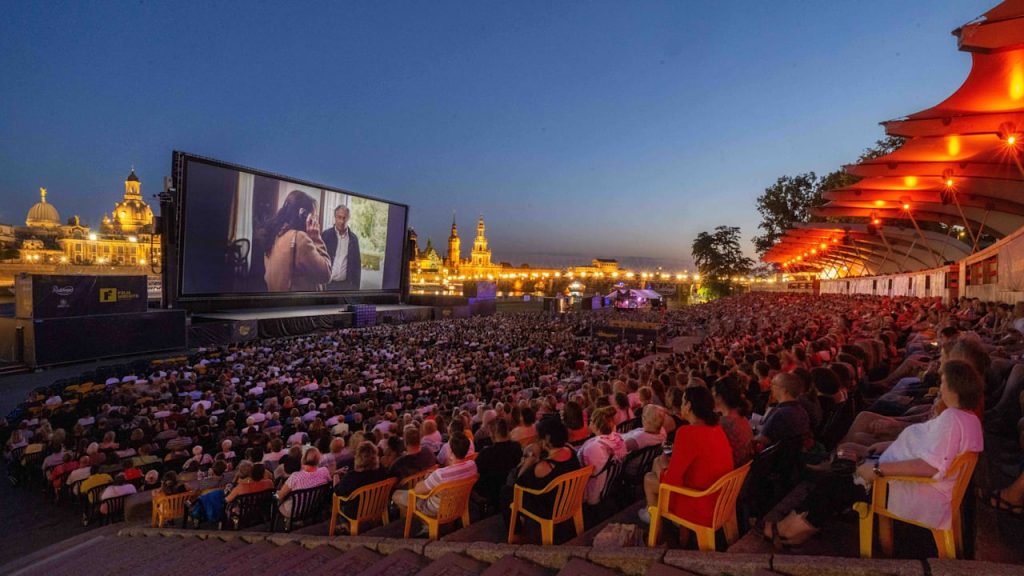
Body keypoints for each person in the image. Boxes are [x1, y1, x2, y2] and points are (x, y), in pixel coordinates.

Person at [766, 360, 985, 546]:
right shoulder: (966, 418)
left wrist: (878, 469)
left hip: (907, 489)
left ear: (955, 386)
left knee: (835, 484)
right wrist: (886, 448)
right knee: (840, 475)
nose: (941, 387)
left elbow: (929, 467)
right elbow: (929, 452)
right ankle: (803, 525)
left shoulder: (952, 420)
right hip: (909, 484)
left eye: (944, 382)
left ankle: (788, 530)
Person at [640, 386, 733, 528]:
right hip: (721, 499)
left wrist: (664, 464)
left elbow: (671, 482)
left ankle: (656, 528)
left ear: (688, 405)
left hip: (701, 503)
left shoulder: (686, 433)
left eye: (683, 402)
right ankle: (655, 512)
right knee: (658, 461)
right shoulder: (717, 428)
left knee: (649, 478)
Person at [502, 416, 581, 536]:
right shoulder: (571, 451)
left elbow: (518, 483)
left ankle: (516, 531)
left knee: (506, 492)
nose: (537, 439)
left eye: (539, 437)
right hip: (568, 501)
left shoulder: (544, 466)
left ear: (547, 439)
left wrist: (530, 460)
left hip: (550, 508)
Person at [393, 432, 476, 519]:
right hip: (459, 504)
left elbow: (417, 490)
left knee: (396, 495)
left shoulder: (440, 475)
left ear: (450, 451)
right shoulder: (472, 466)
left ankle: (424, 523)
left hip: (435, 509)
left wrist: (426, 479)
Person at [262, 189, 332, 292]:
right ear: (303, 215)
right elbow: (326, 275)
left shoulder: (276, 235)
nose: (315, 220)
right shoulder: (300, 239)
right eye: (313, 216)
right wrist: (316, 238)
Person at [578, 406, 627, 506]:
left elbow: (586, 471)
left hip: (594, 491)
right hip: (611, 484)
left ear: (596, 425)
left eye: (591, 421)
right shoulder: (618, 438)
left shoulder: (593, 447)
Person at [333, 441, 389, 522]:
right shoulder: (382, 470)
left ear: (358, 457)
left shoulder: (352, 477)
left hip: (356, 513)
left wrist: (335, 475)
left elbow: (337, 492)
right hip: (378, 507)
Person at [474, 417, 523, 511]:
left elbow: (477, 472)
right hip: (511, 487)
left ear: (492, 434)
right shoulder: (516, 447)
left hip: (491, 491)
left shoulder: (486, 453)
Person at [276, 447, 331, 518]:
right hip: (314, 507)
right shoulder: (324, 471)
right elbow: (330, 483)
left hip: (293, 511)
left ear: (303, 458)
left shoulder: (295, 477)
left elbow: (280, 496)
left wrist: (275, 495)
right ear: (318, 459)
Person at [321, 204, 362, 291]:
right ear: (335, 217)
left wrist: (355, 289)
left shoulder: (353, 239)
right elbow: (319, 259)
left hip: (345, 286)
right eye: (339, 217)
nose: (342, 221)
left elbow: (357, 266)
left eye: (344, 218)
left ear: (348, 219)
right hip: (327, 284)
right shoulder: (325, 235)